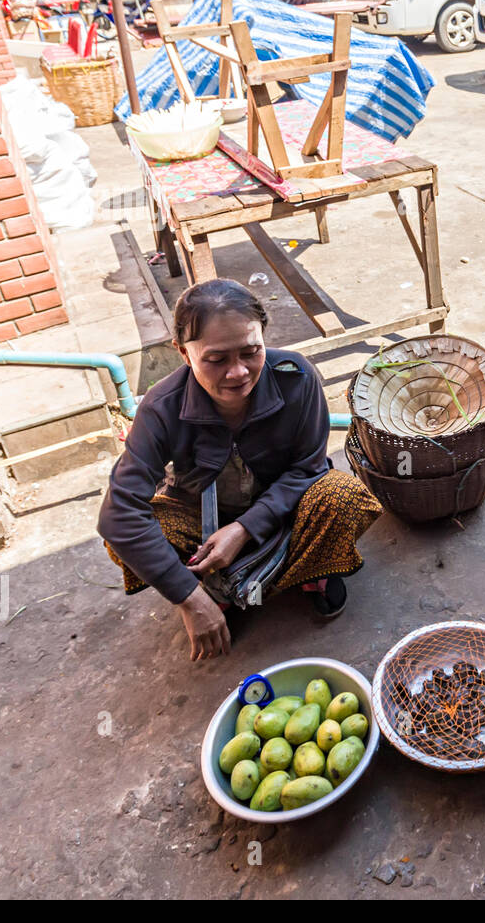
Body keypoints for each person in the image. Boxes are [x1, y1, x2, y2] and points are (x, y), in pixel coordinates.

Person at [98, 280, 382, 660]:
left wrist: (245, 528)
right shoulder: (161, 406)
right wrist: (188, 598)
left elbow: (308, 468)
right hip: (204, 522)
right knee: (130, 537)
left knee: (340, 494)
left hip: (282, 511)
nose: (238, 372)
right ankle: (213, 592)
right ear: (184, 353)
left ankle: (312, 570)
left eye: (251, 352)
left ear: (264, 337)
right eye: (216, 360)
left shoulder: (297, 378)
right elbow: (119, 515)